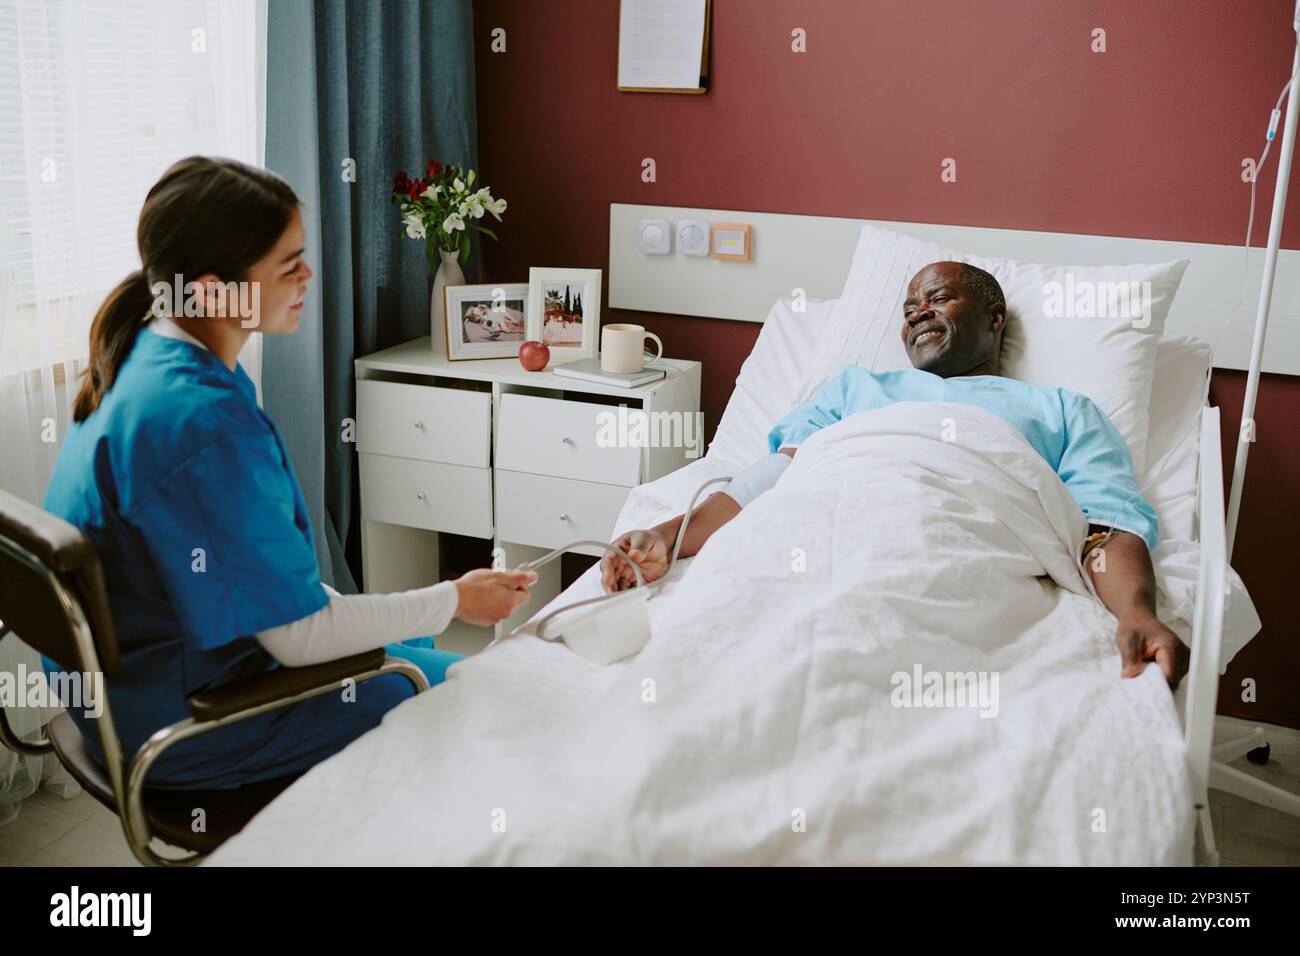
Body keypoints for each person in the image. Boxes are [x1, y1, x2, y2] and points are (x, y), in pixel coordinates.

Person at [40, 156, 536, 788]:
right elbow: (299, 641)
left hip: (129, 694)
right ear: (218, 290)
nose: (307, 275)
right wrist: (454, 598)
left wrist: (423, 605)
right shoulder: (203, 422)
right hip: (182, 725)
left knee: (420, 656)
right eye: (287, 264)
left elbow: (254, 575)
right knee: (482, 695)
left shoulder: (146, 350)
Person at [600, 260, 1189, 690]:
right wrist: (672, 536)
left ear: (994, 316)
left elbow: (1104, 528)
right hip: (821, 525)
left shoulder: (1062, 410)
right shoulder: (856, 389)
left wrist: (1138, 613)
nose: (918, 316)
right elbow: (776, 478)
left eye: (938, 300)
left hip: (959, 544)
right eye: (909, 311)